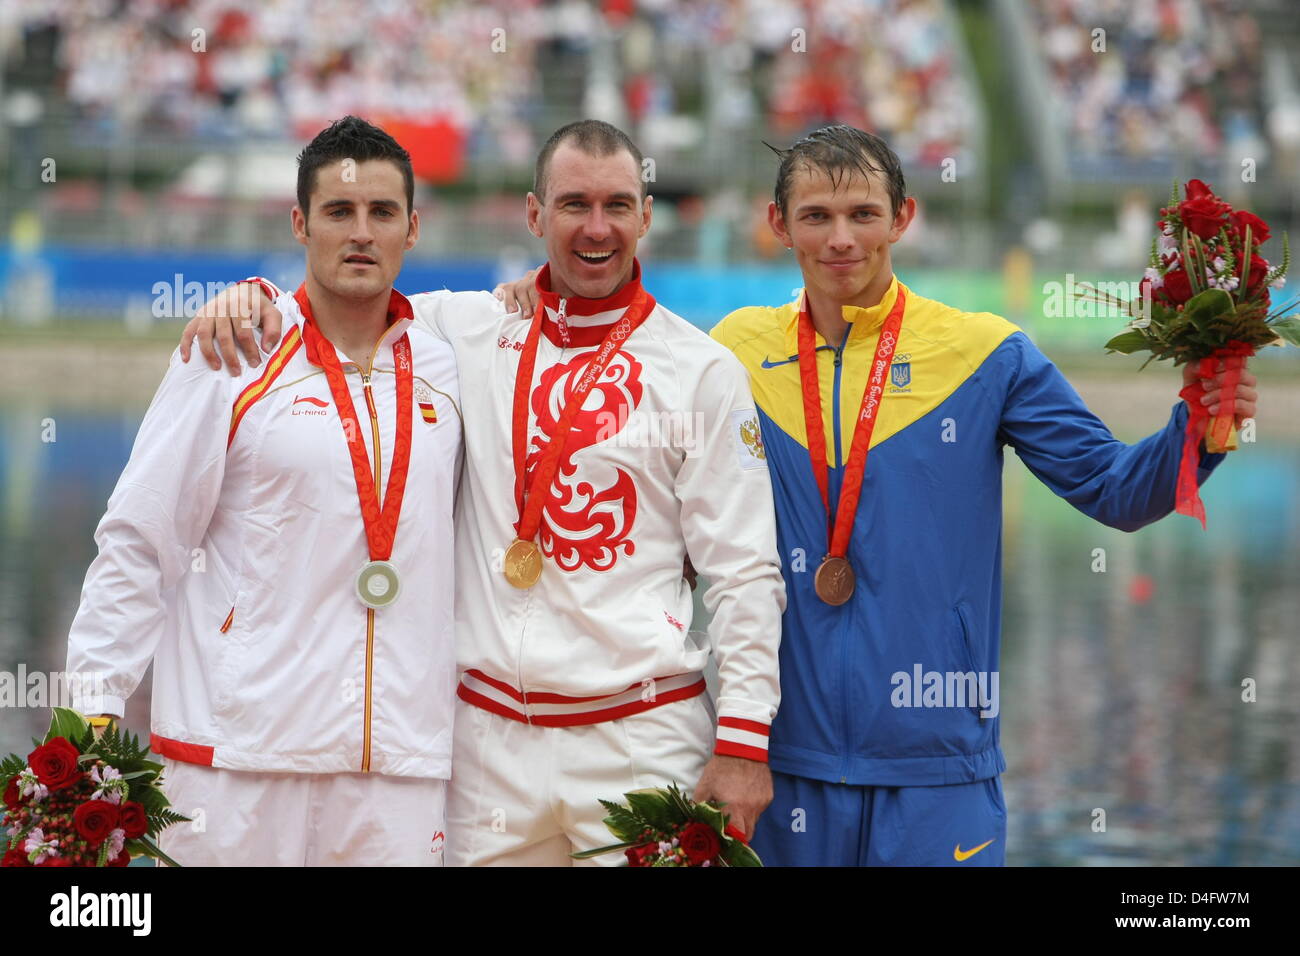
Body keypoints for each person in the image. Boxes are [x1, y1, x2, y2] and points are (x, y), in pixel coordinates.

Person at [177, 120, 786, 866]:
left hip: (644, 736)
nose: (597, 229)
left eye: (618, 206)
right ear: (534, 214)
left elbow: (744, 572)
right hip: (487, 749)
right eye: (574, 205)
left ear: (647, 215)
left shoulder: (702, 371)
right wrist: (255, 296)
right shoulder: (462, 329)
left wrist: (744, 741)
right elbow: (347, 291)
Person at [707, 125, 1260, 866]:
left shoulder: (986, 353)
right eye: (816, 216)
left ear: (903, 218)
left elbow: (1117, 491)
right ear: (779, 225)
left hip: (940, 770)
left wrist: (1201, 422)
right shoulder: (733, 351)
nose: (841, 239)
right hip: (779, 768)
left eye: (864, 214)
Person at [66, 116, 462, 866]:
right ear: (299, 224)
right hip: (235, 757)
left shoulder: (450, 366)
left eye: (382, 212)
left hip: (395, 769)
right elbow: (141, 539)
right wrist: (93, 707)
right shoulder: (233, 353)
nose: (361, 233)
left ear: (413, 228)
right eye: (339, 211)